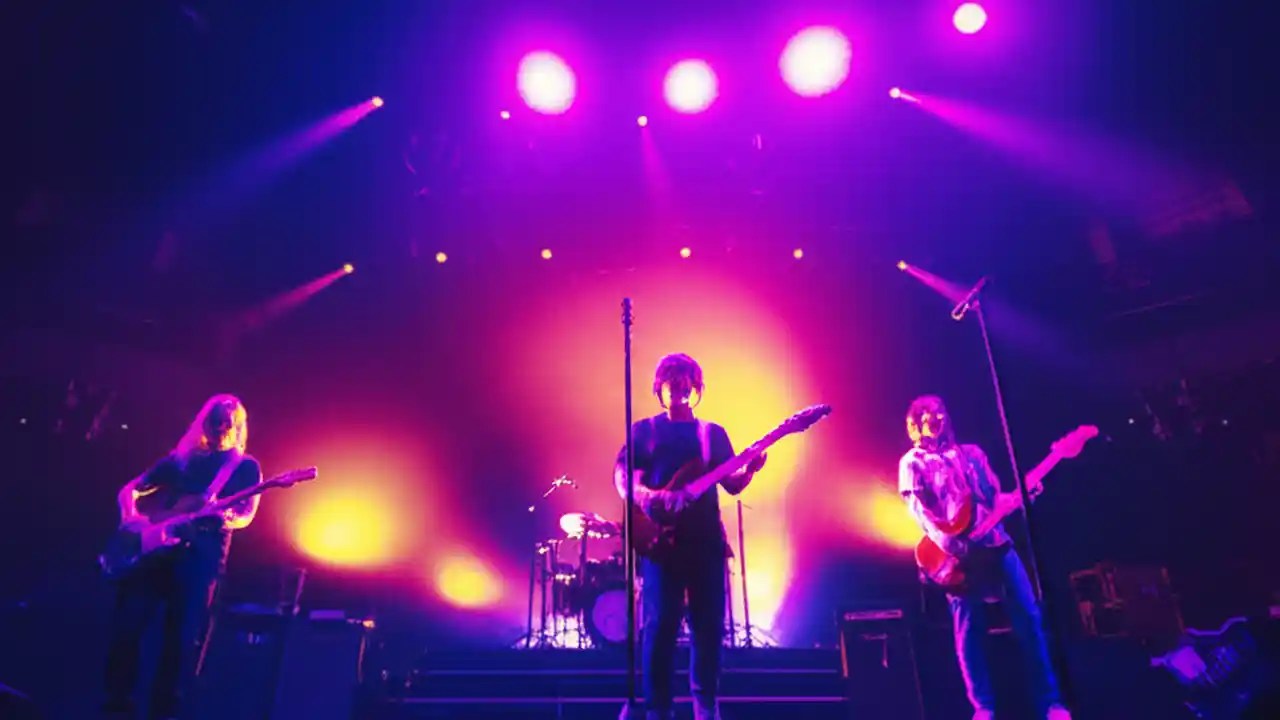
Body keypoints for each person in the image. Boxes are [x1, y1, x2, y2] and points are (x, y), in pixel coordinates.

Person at [897, 395, 1070, 720]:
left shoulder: (972, 454)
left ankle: (1051, 702)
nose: (938, 419)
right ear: (915, 424)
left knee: (1030, 619)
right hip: (955, 554)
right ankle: (983, 708)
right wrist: (952, 546)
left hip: (996, 542)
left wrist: (1024, 492)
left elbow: (995, 499)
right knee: (968, 630)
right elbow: (920, 514)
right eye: (929, 415)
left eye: (941, 413)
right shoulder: (912, 463)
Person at [614, 353, 766, 720]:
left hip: (706, 542)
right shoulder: (644, 431)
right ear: (658, 388)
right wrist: (650, 497)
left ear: (696, 389)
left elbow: (730, 483)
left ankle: (706, 705)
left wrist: (751, 471)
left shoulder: (711, 433)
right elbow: (622, 475)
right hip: (661, 544)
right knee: (661, 624)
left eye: (687, 382)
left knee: (709, 625)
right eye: (672, 382)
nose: (680, 388)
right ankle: (657, 709)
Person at [102, 394, 263, 720]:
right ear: (203, 422)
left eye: (225, 422)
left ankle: (165, 713)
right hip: (154, 554)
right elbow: (129, 490)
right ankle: (117, 706)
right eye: (213, 419)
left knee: (180, 640)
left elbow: (246, 513)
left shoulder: (244, 467)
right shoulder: (180, 461)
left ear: (236, 427)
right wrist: (131, 518)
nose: (219, 427)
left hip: (199, 558)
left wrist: (222, 517)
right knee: (126, 626)